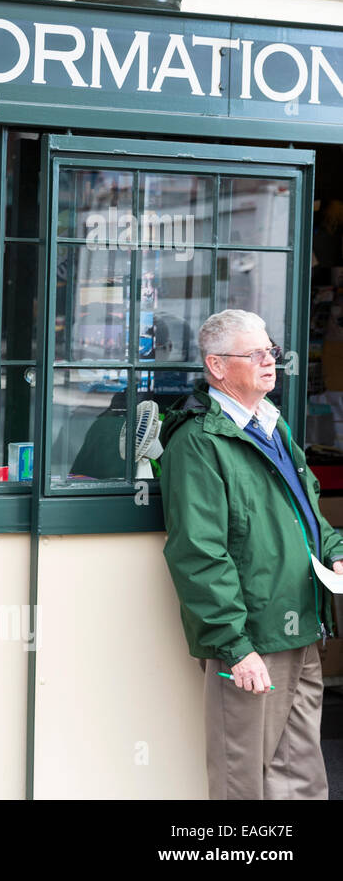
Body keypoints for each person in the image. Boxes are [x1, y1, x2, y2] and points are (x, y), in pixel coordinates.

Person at [159, 308, 343, 799]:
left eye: (271, 351)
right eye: (255, 353)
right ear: (217, 366)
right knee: (242, 778)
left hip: (301, 624)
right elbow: (198, 553)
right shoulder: (197, 441)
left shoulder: (272, 424)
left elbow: (308, 512)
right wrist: (235, 646)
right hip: (251, 637)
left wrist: (335, 550)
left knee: (301, 773)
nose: (270, 361)